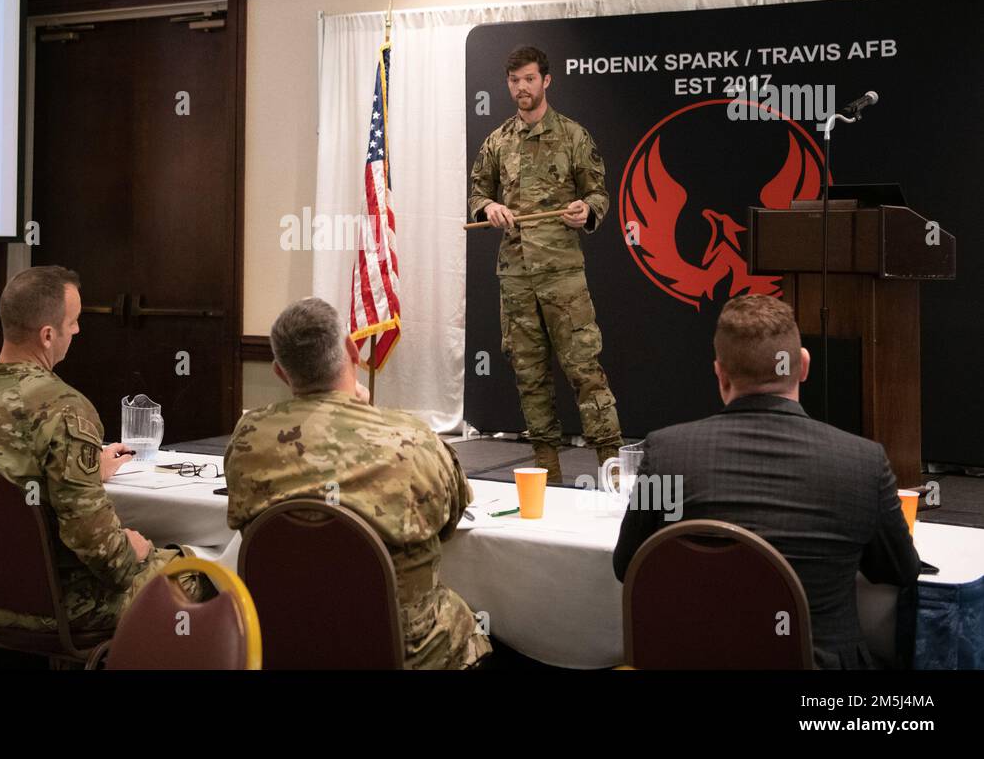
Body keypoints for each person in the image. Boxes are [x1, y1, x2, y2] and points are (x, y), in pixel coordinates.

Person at [611, 294, 921, 669]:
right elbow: (900, 571)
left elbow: (628, 565)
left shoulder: (664, 453)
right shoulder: (863, 462)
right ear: (803, 365)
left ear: (719, 373)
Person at [225, 297, 492, 669]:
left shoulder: (248, 438)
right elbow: (451, 518)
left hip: (292, 647)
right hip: (406, 654)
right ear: (353, 349)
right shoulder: (411, 438)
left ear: (280, 373)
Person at [0, 265, 203, 632]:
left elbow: (12, 485)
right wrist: (135, 551)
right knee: (204, 575)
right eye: (74, 322)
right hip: (65, 605)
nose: (79, 330)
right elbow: (105, 556)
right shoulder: (65, 407)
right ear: (48, 335)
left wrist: (85, 470)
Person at [468, 44, 622, 483]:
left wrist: (585, 211)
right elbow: (477, 193)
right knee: (530, 377)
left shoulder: (574, 136)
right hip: (516, 278)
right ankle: (547, 477)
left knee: (585, 372)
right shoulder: (497, 141)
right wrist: (489, 209)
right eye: (515, 81)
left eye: (530, 79)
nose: (522, 88)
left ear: (546, 81)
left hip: (563, 278)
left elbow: (599, 195)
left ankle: (610, 472)